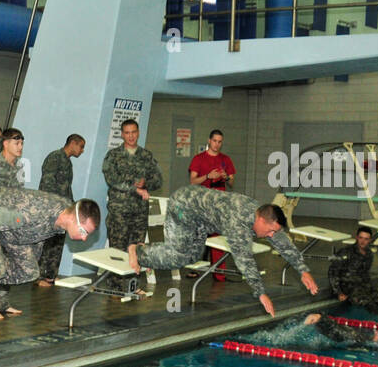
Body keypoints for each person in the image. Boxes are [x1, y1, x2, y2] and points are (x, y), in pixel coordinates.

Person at [127, 185, 318, 316]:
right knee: (178, 256)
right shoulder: (238, 222)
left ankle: (149, 252)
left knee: (193, 256)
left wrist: (303, 270)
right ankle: (137, 251)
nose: (271, 235)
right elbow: (244, 260)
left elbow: (281, 239)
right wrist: (261, 293)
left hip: (201, 217)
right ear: (260, 220)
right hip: (183, 207)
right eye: (269, 231)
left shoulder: (261, 214)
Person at [0, 190, 99, 320]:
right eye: (84, 231)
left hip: (15, 231)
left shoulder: (64, 214)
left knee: (29, 272)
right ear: (73, 219)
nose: (84, 238)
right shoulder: (33, 212)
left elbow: (38, 237)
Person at [101, 119, 161, 295]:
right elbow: (112, 180)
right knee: (118, 249)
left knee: (137, 249)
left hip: (139, 211)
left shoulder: (146, 155)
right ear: (122, 134)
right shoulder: (113, 155)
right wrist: (135, 188)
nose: (131, 136)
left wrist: (146, 182)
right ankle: (116, 288)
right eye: (127, 133)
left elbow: (158, 179)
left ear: (138, 132)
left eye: (133, 132)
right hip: (119, 211)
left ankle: (133, 287)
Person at [37, 133, 85, 285]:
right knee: (47, 243)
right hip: (51, 209)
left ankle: (50, 275)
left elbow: (66, 188)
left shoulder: (67, 162)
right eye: (81, 146)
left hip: (63, 210)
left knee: (57, 243)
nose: (82, 150)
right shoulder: (55, 157)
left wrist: (72, 207)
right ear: (73, 143)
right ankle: (39, 277)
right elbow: (47, 184)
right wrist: (53, 208)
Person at [189, 129, 237, 280]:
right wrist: (208, 176)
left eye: (219, 142)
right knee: (199, 236)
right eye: (214, 141)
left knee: (217, 238)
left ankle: (219, 272)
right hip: (202, 203)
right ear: (209, 141)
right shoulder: (199, 158)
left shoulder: (226, 159)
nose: (217, 144)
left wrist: (226, 177)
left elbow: (232, 182)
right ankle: (194, 268)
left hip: (219, 204)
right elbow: (193, 181)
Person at [328, 225, 378, 313]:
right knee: (371, 306)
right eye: (361, 238)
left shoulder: (369, 254)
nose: (362, 241)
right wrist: (338, 292)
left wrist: (370, 289)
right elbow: (332, 272)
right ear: (357, 237)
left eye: (366, 239)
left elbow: (365, 273)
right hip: (347, 287)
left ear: (370, 240)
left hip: (362, 286)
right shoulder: (346, 252)